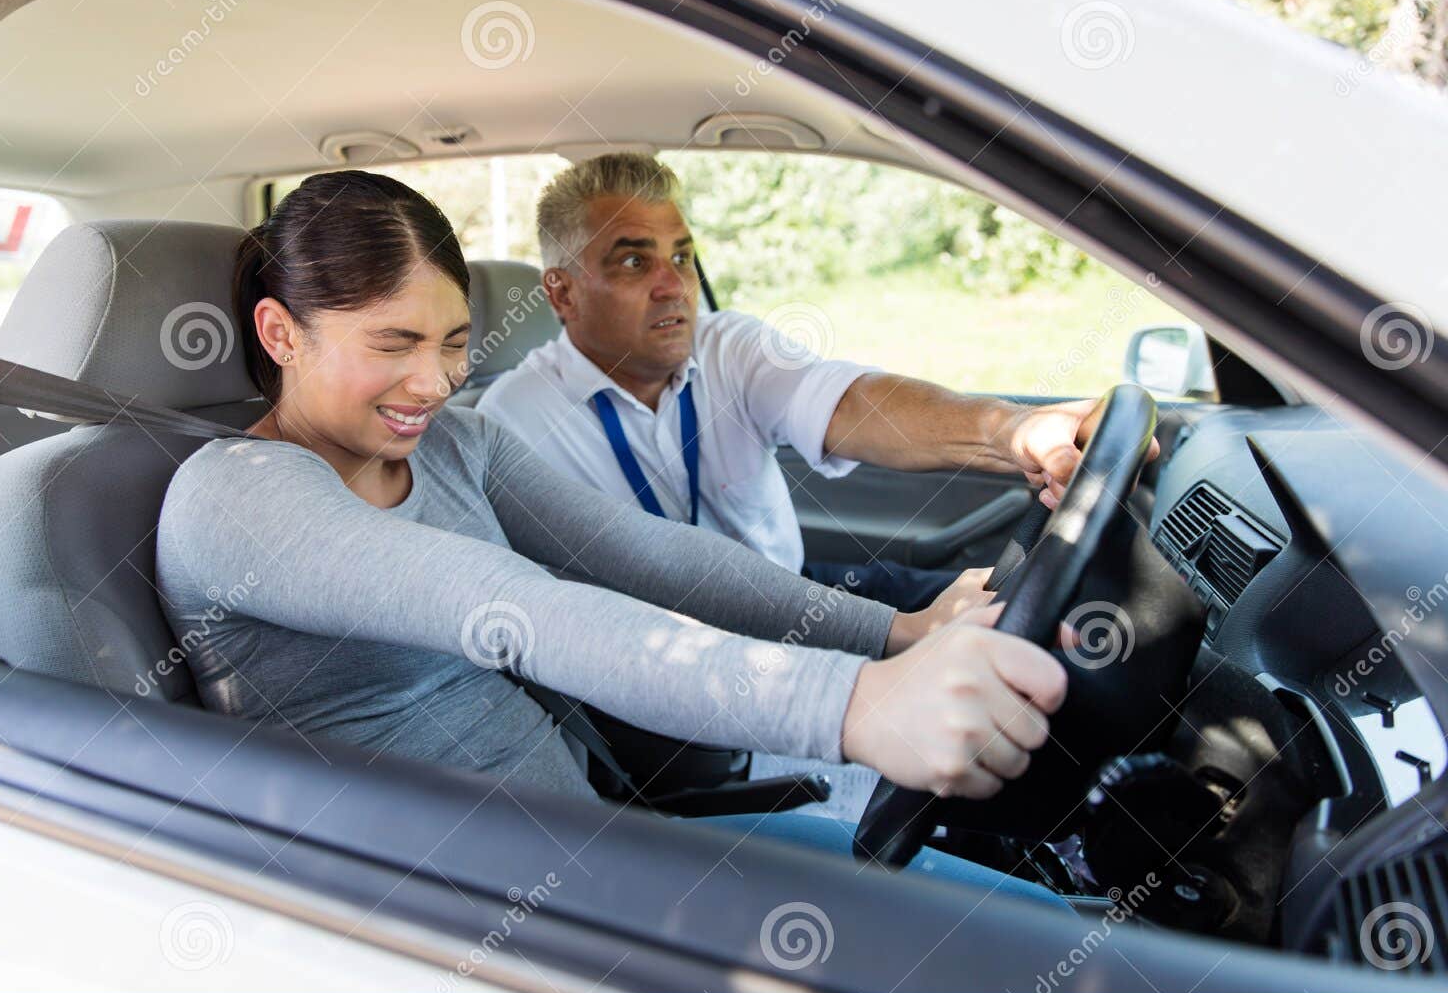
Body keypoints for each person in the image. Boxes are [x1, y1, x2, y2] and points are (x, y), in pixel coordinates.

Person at [154, 170, 1071, 906]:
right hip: (440, 911)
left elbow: (648, 557)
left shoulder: (458, 443)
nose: (433, 382)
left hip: (595, 845)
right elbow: (516, 610)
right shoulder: (235, 496)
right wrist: (857, 705)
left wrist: (894, 632)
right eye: (394, 343)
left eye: (455, 342)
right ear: (280, 333)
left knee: (1029, 928)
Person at [478, 153, 1152, 612]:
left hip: (794, 598)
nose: (672, 285)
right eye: (633, 261)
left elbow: (853, 403)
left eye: (682, 257)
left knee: (1031, 607)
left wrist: (1012, 430)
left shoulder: (728, 347)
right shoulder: (511, 425)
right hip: (660, 654)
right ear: (561, 294)